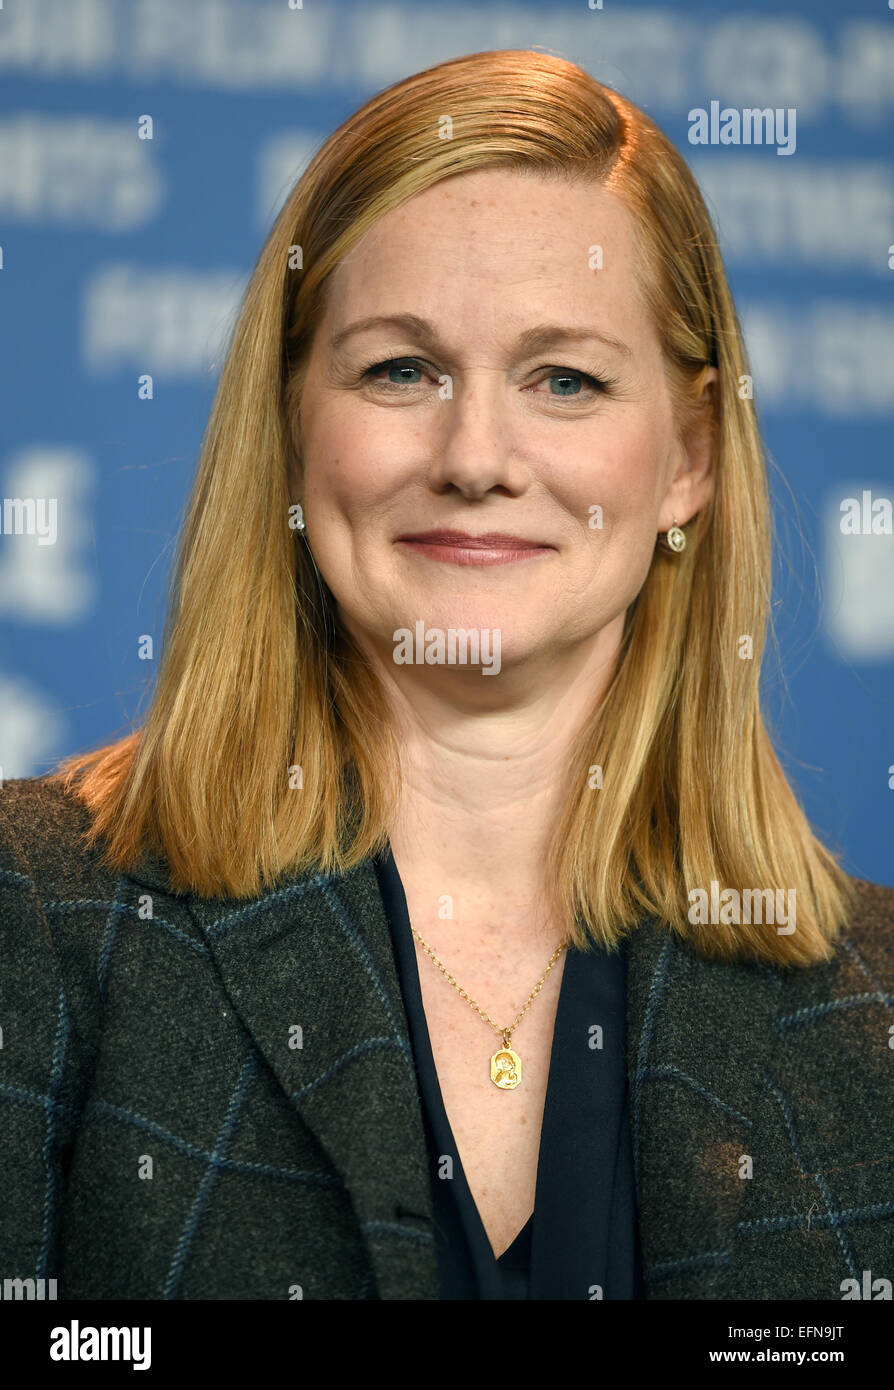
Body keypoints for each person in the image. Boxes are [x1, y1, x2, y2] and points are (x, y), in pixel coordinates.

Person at [1, 49, 891, 1302]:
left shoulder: (877, 1010)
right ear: (294, 423)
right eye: (400, 370)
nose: (476, 456)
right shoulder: (36, 920)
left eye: (565, 380)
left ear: (688, 458)